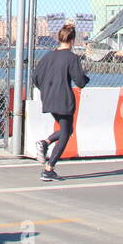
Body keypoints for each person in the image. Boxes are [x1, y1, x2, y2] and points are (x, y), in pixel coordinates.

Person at [32, 22, 89, 182]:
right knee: (65, 132)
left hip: (48, 97)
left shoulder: (48, 56)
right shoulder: (72, 58)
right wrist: (85, 76)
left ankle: (45, 142)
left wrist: (47, 88)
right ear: (72, 40)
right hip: (64, 98)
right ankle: (49, 168)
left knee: (67, 129)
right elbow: (80, 82)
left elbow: (36, 77)